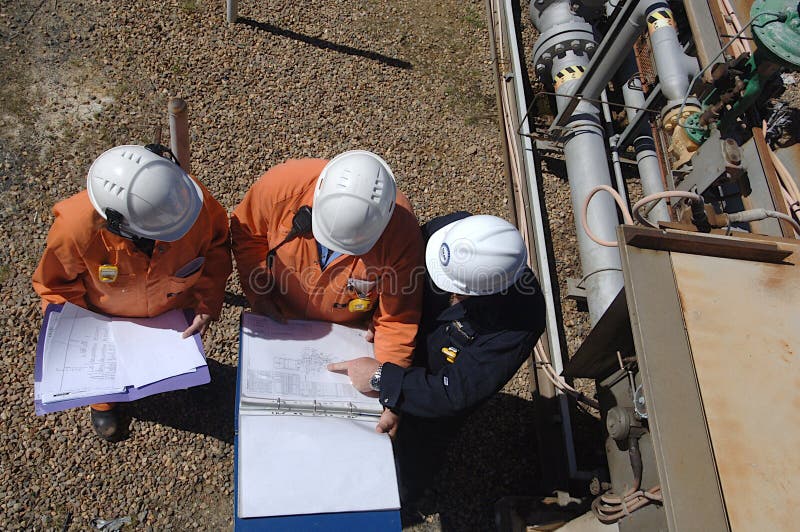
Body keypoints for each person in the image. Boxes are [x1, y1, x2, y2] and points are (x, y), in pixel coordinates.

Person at [328, 212, 546, 505]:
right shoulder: (447, 233)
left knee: (417, 451)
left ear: (485, 291)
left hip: (432, 390)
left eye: (454, 289)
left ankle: (402, 494)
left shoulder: (518, 321)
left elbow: (454, 392)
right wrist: (383, 312)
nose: (444, 289)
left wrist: (383, 378)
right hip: (397, 341)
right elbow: (396, 266)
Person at [32, 144, 232, 441]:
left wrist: (207, 302)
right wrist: (85, 334)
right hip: (107, 325)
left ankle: (186, 376)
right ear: (118, 225)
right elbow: (55, 287)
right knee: (102, 373)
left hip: (176, 315)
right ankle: (103, 401)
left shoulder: (186, 201)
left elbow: (216, 248)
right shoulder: (75, 230)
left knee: (183, 359)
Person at [230, 151, 424, 368]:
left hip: (350, 335)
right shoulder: (281, 187)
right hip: (277, 316)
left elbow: (397, 320)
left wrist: (386, 382)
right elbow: (248, 235)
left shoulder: (402, 235)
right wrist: (260, 295)